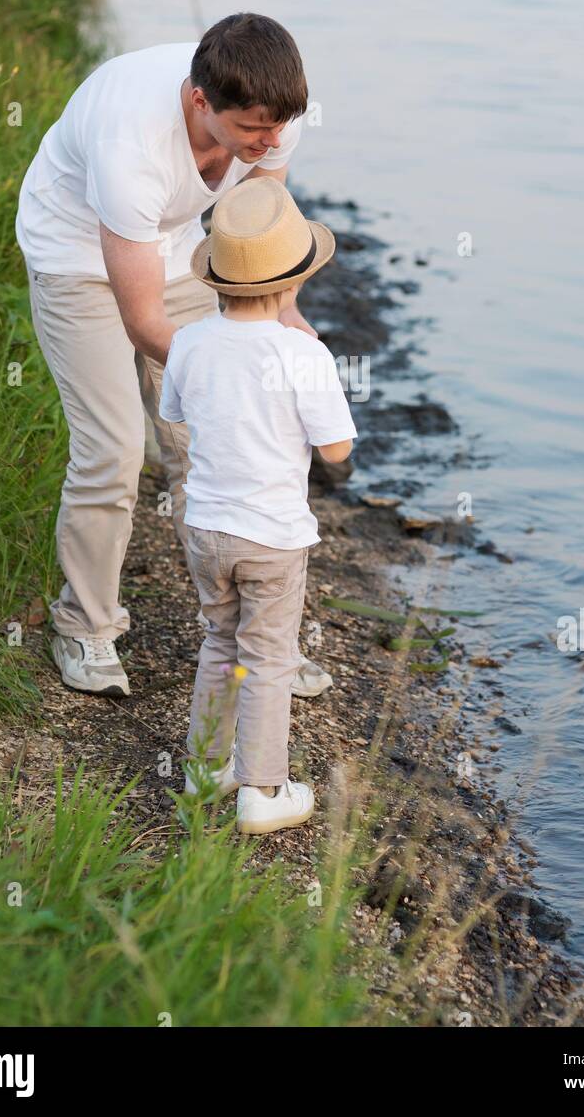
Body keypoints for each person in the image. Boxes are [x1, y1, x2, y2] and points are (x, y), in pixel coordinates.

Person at [15, 12, 335, 699]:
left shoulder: (275, 115)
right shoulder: (132, 145)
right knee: (114, 449)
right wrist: (233, 377)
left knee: (212, 443)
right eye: (253, 129)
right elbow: (144, 322)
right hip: (77, 253)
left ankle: (259, 640)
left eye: (279, 127)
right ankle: (84, 625)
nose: (270, 141)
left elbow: (259, 233)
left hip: (174, 242)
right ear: (200, 101)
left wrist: (284, 318)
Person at [161, 178, 356, 833]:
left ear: (217, 279)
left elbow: (177, 413)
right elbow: (335, 450)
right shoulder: (304, 355)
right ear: (292, 284)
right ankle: (263, 790)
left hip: (207, 529)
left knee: (220, 642)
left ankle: (205, 770)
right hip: (272, 537)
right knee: (268, 656)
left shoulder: (189, 342)